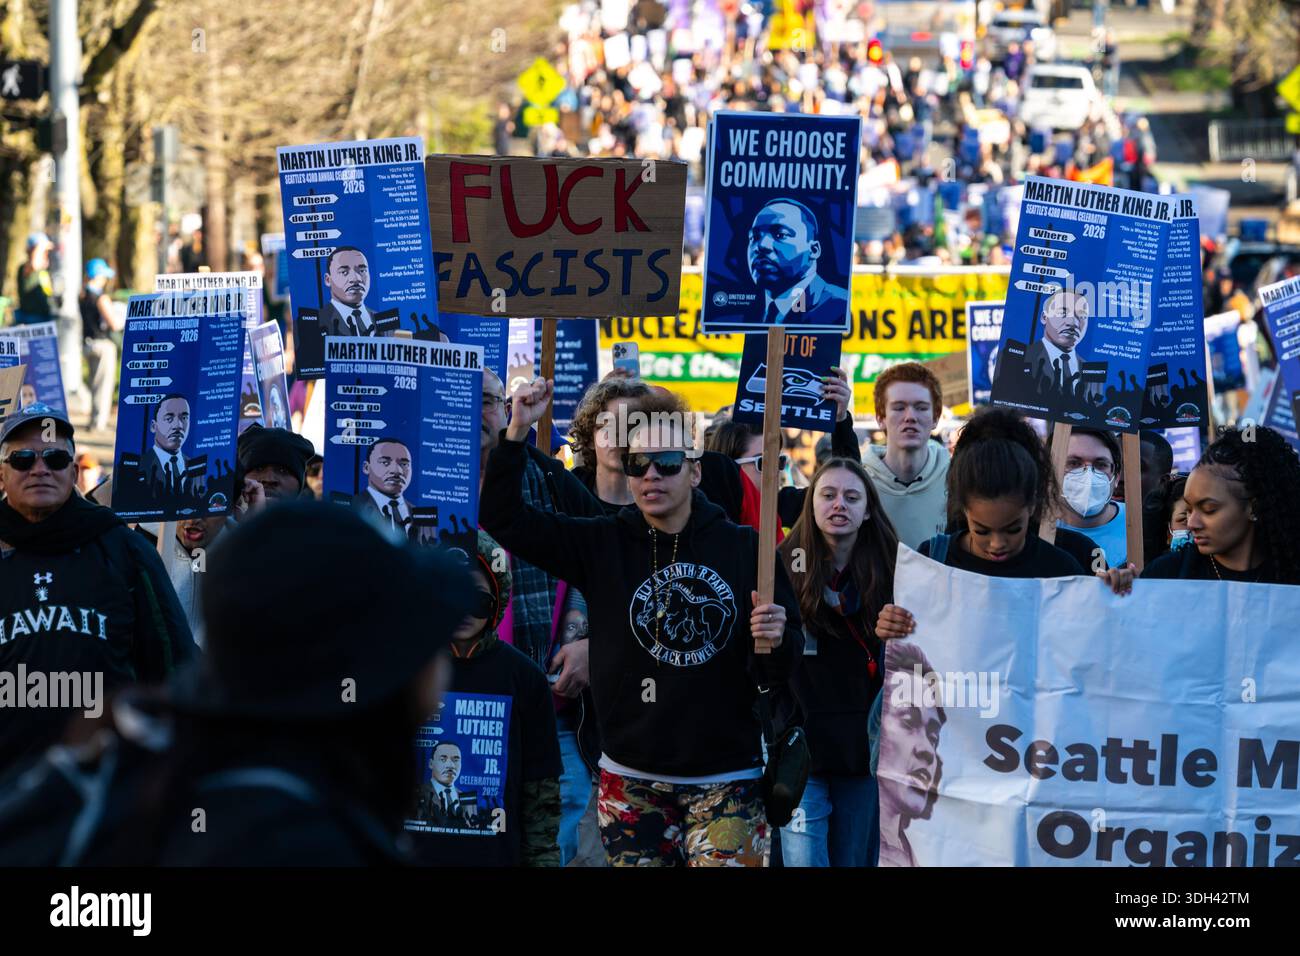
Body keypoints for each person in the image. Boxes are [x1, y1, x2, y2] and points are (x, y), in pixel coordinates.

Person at [0, 502, 474, 865]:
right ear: (371, 665)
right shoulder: (291, 841)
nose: (439, 660)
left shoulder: (157, 768)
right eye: (424, 632)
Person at [481, 380, 802, 866]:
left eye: (667, 463)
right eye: (638, 464)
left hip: (727, 781)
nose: (651, 475)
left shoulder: (745, 550)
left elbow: (780, 668)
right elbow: (504, 519)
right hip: (630, 784)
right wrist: (517, 432)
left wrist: (776, 639)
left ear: (694, 472)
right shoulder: (603, 542)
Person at [0, 403, 196, 776]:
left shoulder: (124, 549)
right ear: (2, 475)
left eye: (55, 459)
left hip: (106, 785)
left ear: (74, 472)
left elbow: (173, 661)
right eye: (23, 459)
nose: (39, 469)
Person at [478, 368, 597, 865]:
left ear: (506, 409)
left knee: (554, 848)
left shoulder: (546, 476)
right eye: (457, 397)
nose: (473, 411)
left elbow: (593, 557)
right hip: (456, 712)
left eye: (485, 399)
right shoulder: (413, 479)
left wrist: (583, 634)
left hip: (552, 712)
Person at [405, 531, 563, 866]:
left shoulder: (525, 677)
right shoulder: (405, 668)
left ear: (498, 599)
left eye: (477, 599)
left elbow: (541, 792)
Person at [776, 457, 899, 868]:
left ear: (868, 510)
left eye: (851, 496)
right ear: (810, 505)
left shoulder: (896, 572)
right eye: (827, 495)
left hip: (864, 752)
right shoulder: (779, 567)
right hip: (801, 747)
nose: (838, 505)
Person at [1142, 426, 1300, 584]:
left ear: (1254, 508)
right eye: (1189, 510)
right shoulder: (1165, 575)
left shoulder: (1290, 575)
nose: (1191, 523)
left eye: (1208, 509)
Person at [861, 362, 950, 549]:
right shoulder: (859, 483)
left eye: (921, 407)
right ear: (880, 418)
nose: (910, 416)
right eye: (899, 408)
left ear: (935, 418)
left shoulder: (956, 479)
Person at [874, 640, 945, 868]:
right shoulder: (849, 841)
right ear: (875, 724)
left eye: (933, 737)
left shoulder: (915, 852)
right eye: (908, 721)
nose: (926, 750)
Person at [747, 199, 850, 327]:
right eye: (754, 237)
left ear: (814, 250)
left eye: (780, 235)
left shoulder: (841, 305)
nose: (761, 245)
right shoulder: (744, 311)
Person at [1051, 426, 1128, 568]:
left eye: (1100, 465)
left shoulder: (1139, 525)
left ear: (1116, 477)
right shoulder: (1035, 528)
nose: (1089, 476)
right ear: (1051, 472)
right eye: (1074, 463)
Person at [77, 258, 123, 435]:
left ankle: (93, 419)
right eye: (104, 276)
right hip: (103, 345)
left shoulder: (82, 295)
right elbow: (114, 324)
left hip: (87, 344)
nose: (106, 280)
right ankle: (98, 423)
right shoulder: (101, 298)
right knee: (103, 386)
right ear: (98, 276)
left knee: (94, 383)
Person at [1024, 290, 1090, 395]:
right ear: (1044, 317)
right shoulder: (1020, 359)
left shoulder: (1091, 371)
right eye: (1062, 313)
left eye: (1082, 316)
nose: (1073, 322)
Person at [235, 424, 316, 504]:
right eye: (258, 469)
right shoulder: (224, 516)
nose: (269, 479)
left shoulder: (320, 517)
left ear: (301, 483)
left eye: (282, 470)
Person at [351, 436, 414, 531]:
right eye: (385, 462)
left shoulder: (420, 514)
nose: (397, 470)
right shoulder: (352, 507)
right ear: (366, 468)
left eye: (404, 464)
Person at [142, 394, 196, 498]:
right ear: (153, 426)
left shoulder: (195, 467)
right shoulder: (138, 467)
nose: (178, 425)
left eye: (184, 418)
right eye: (169, 418)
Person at [319, 247, 377, 336]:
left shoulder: (385, 321)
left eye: (362, 271)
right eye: (344, 272)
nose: (356, 278)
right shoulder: (314, 323)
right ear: (328, 280)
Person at [15, 234, 55, 326]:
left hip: (45, 317)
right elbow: (34, 264)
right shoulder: (26, 268)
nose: (46, 253)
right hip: (31, 319)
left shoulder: (43, 270)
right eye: (44, 251)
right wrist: (39, 247)